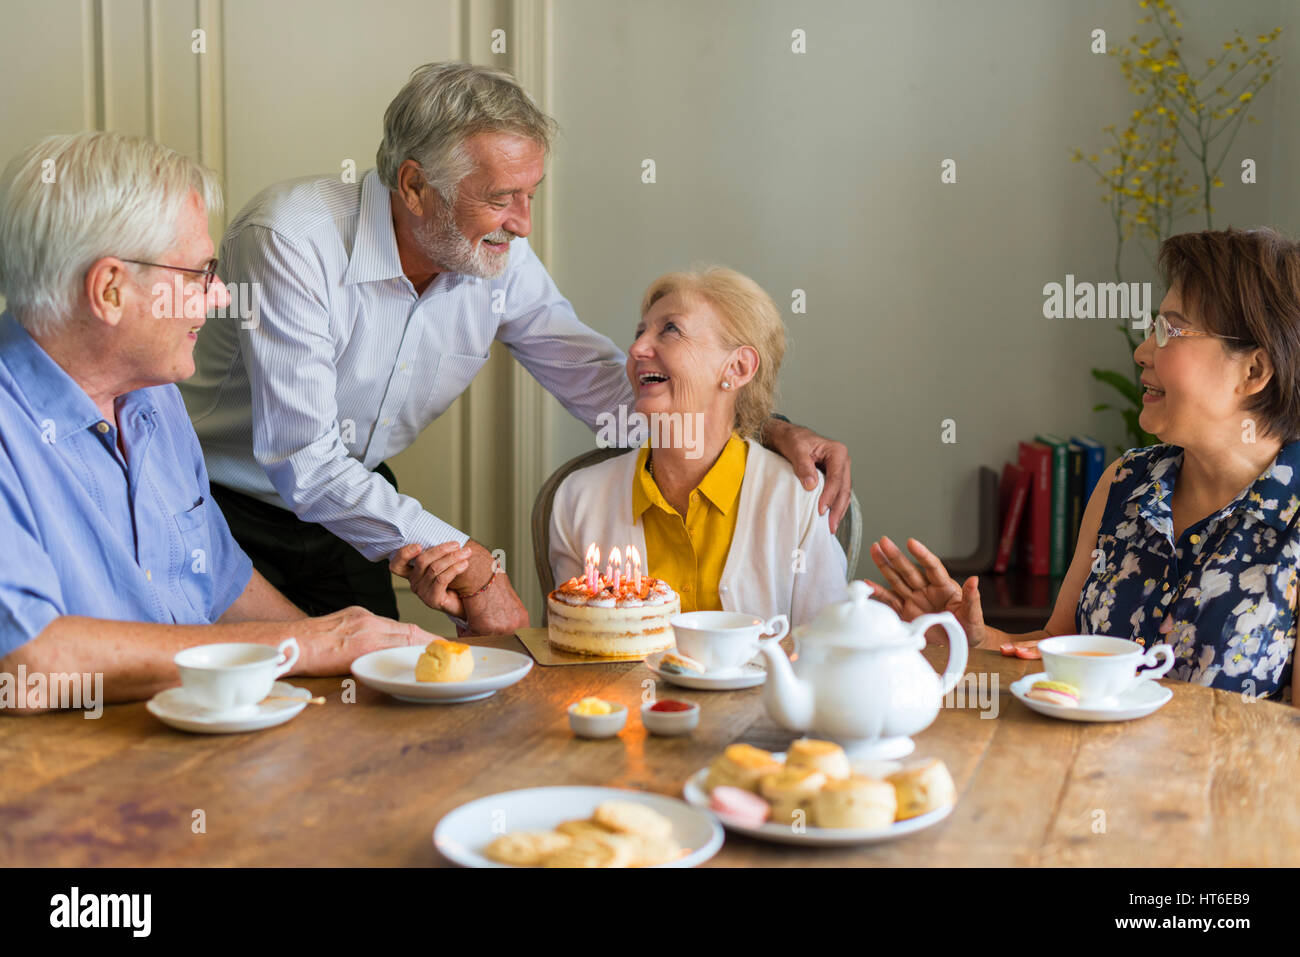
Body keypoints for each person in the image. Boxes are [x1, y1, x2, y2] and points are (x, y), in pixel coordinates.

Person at [180, 62, 852, 634]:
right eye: (502, 198)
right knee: (237, 724)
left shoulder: (498, 256)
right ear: (414, 187)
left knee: (365, 716)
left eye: (529, 195)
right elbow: (305, 457)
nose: (523, 224)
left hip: (349, 510)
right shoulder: (291, 240)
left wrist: (763, 425)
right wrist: (471, 561)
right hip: (220, 506)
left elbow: (607, 389)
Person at [0, 132, 436, 711]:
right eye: (198, 274)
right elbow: (26, 661)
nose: (219, 296)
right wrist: (299, 645)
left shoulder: (154, 396)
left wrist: (351, 656)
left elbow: (225, 585)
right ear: (110, 290)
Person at [869, 227, 1299, 704]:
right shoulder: (1125, 482)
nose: (1142, 352)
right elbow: (1060, 644)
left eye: (1170, 331)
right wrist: (971, 638)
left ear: (1254, 371)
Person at [549, 267, 847, 625]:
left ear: (737, 368)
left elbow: (828, 652)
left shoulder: (798, 499)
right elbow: (574, 658)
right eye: (640, 332)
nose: (637, 348)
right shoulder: (578, 499)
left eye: (670, 329)